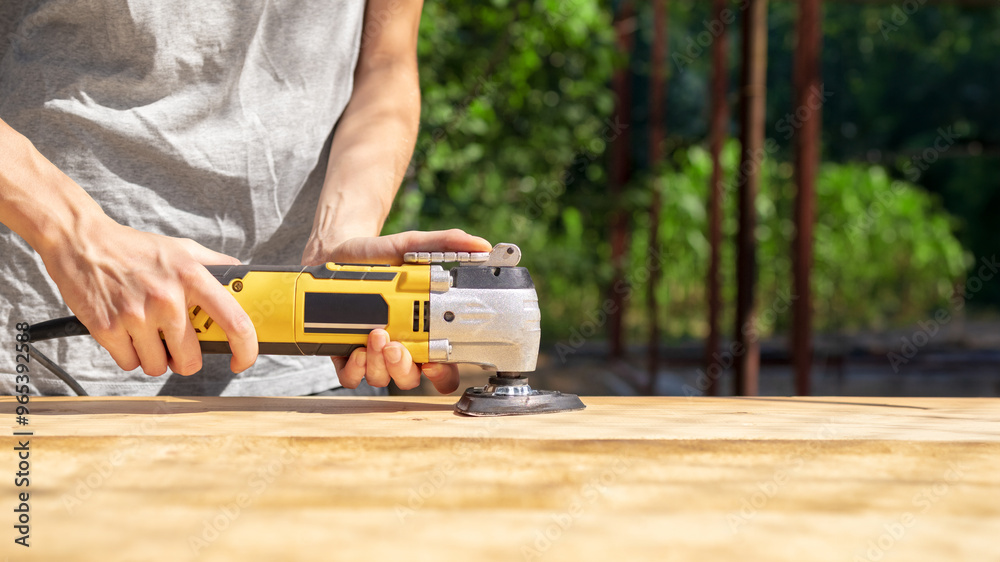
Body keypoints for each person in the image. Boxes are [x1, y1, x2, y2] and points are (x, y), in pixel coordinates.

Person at [0, 0, 489, 396]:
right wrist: (76, 235)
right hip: (52, 357)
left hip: (310, 379)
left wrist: (339, 247)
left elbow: (385, 62)